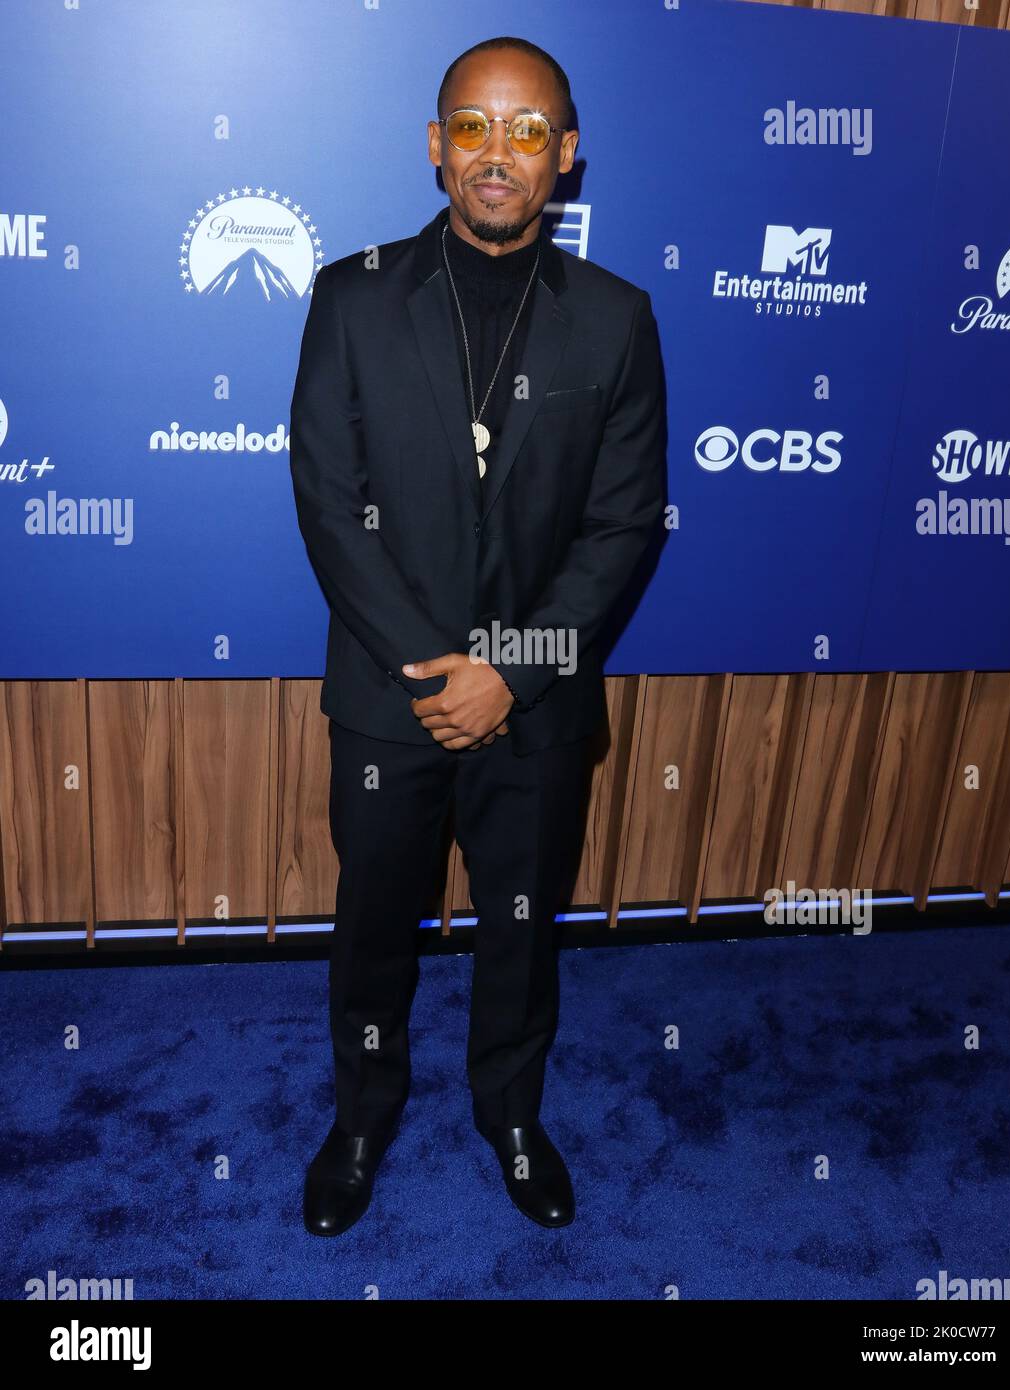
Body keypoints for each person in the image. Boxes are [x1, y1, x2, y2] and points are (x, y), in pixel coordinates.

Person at [289, 35, 667, 1235]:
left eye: (524, 130)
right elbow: (325, 505)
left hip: (538, 707)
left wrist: (508, 671)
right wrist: (435, 672)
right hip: (385, 698)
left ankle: (510, 1112)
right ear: (437, 144)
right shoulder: (349, 296)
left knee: (519, 927)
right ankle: (361, 1117)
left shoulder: (615, 320)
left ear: (566, 155)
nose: (495, 154)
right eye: (471, 125)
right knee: (371, 929)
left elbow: (620, 531)